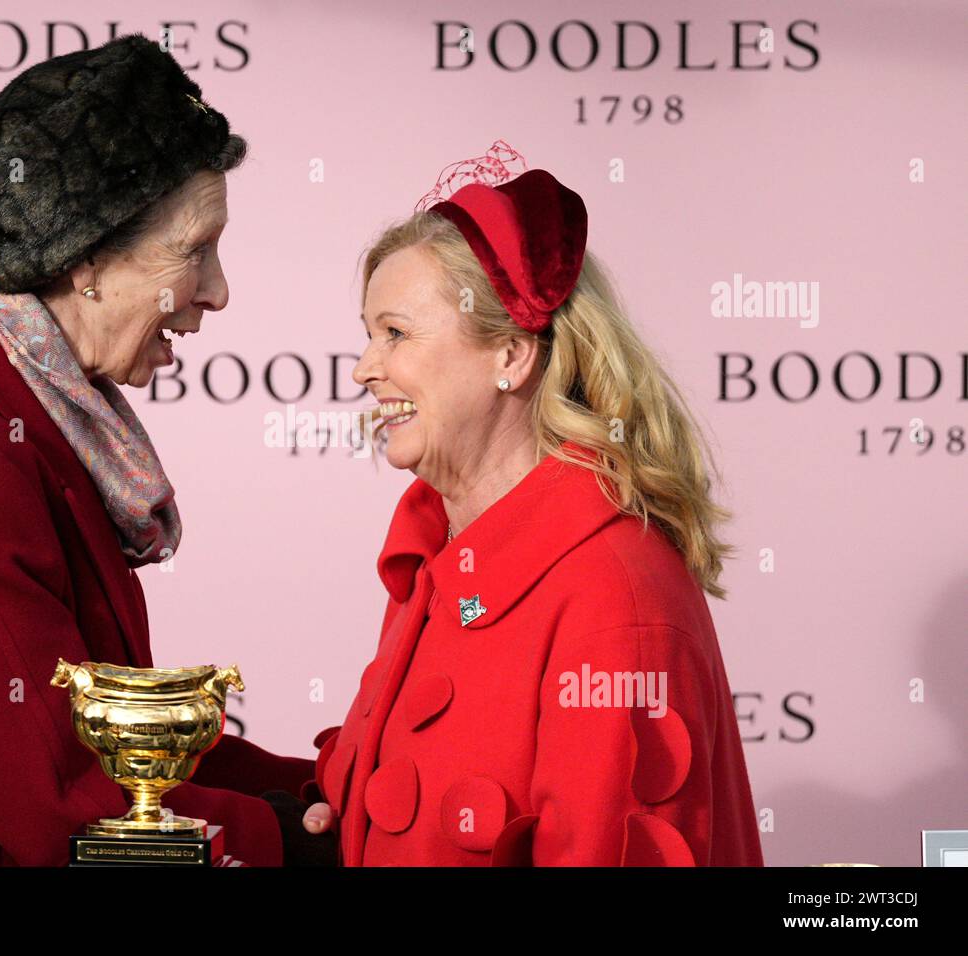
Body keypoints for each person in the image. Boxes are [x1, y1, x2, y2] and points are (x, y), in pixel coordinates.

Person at [0, 34, 332, 867]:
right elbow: (65, 799)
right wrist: (292, 839)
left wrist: (315, 790)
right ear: (86, 262)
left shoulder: (23, 409)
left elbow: (105, 736)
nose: (217, 291)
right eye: (195, 250)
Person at [297, 143, 765, 866]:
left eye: (395, 333)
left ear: (511, 355)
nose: (364, 367)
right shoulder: (436, 555)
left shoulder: (611, 593)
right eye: (368, 334)